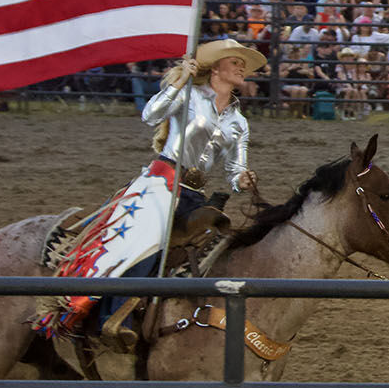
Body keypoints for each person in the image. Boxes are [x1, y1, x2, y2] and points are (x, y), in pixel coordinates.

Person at [48, 38, 267, 330]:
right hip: (161, 183)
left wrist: (242, 179)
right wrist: (180, 82)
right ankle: (112, 317)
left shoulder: (239, 122)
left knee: (209, 249)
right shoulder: (189, 95)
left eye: (243, 65)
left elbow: (235, 169)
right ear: (216, 68)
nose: (242, 68)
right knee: (146, 240)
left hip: (194, 194)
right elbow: (150, 115)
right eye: (235, 62)